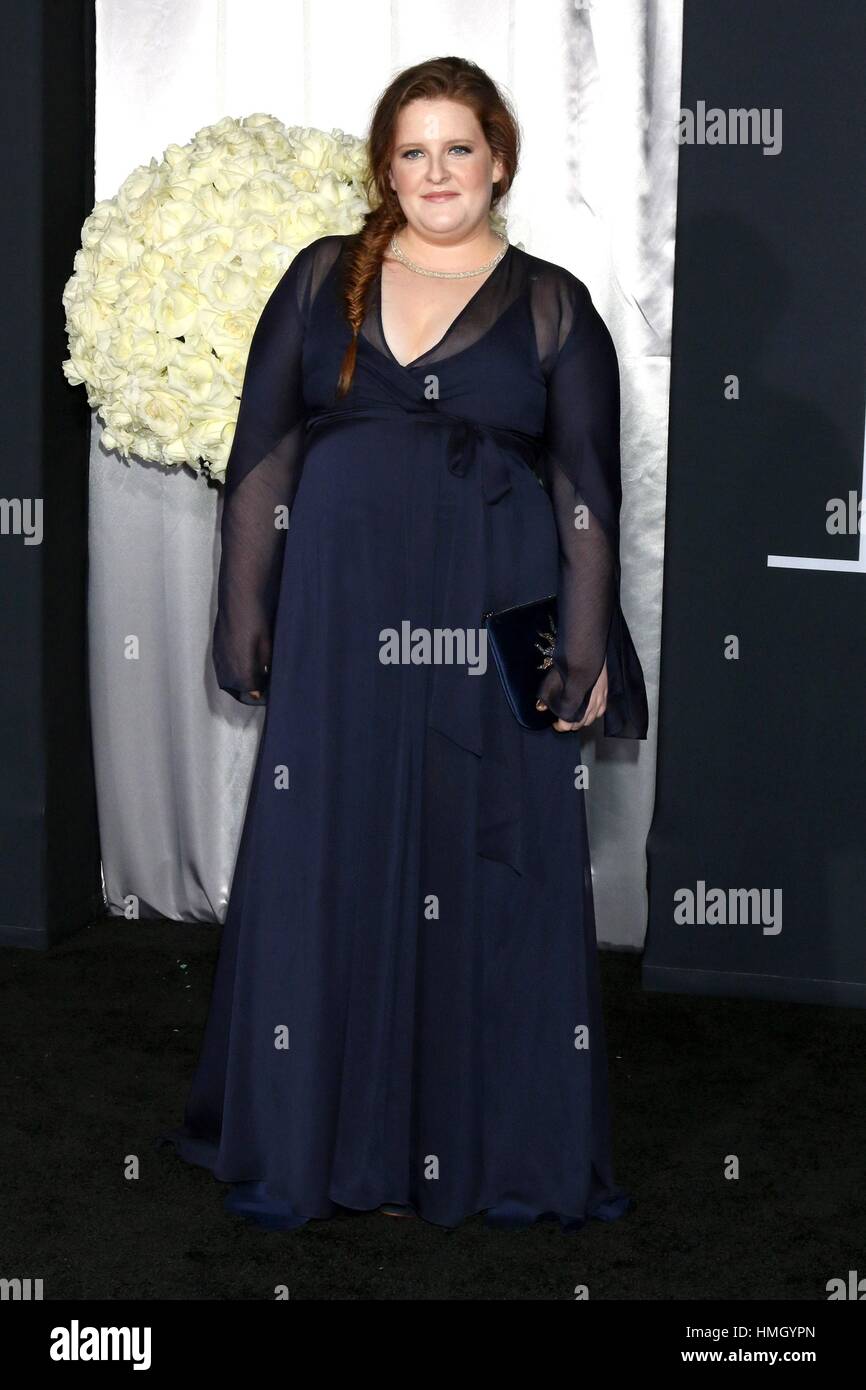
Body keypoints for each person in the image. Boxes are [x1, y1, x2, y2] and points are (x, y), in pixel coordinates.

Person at [158, 55, 648, 1233]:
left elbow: (586, 494)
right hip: (340, 616)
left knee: (491, 866)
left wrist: (577, 656)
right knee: (336, 851)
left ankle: (492, 1150)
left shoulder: (552, 303)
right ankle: (323, 1135)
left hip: (492, 617)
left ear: (498, 161)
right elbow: (263, 451)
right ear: (385, 166)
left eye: (458, 149)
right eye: (412, 151)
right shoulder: (323, 276)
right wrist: (246, 614)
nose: (436, 172)